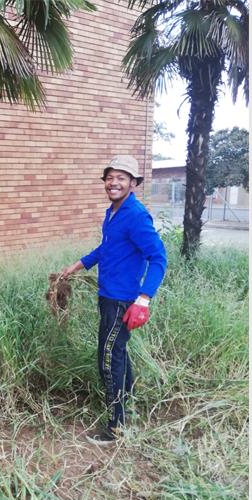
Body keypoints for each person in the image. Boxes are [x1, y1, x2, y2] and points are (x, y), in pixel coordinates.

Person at [59, 155, 168, 444]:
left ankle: (115, 428)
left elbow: (158, 257)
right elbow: (106, 247)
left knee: (107, 359)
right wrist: (78, 265)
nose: (114, 182)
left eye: (121, 178)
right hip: (108, 296)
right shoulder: (114, 212)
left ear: (133, 183)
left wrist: (143, 299)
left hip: (122, 302)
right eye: (110, 177)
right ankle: (128, 405)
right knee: (117, 351)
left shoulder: (135, 215)